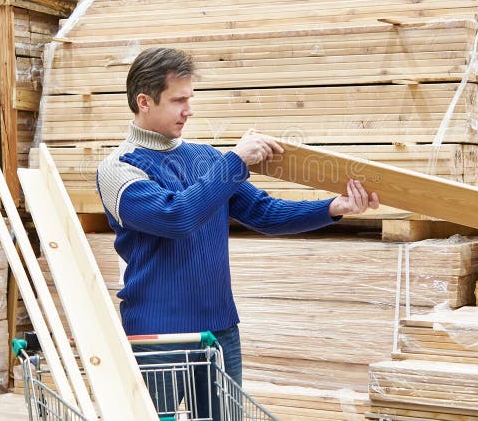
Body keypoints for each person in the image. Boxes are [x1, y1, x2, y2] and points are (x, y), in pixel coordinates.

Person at [96, 47, 378, 419]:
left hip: (219, 327)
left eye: (190, 98)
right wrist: (235, 161)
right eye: (179, 100)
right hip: (157, 335)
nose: (189, 109)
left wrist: (332, 208)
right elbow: (177, 216)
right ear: (144, 101)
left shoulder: (208, 160)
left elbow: (265, 213)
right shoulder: (120, 168)